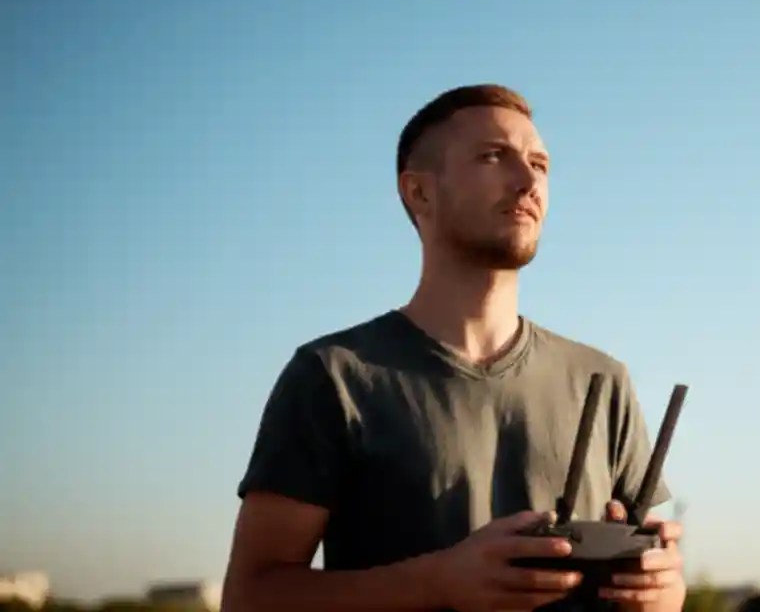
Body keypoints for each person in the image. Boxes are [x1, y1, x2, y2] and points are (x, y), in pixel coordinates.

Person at [221, 84, 686, 612]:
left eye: (540, 163)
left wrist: (665, 596)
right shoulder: (334, 378)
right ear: (419, 192)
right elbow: (249, 598)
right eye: (494, 156)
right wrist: (437, 581)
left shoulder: (604, 381)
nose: (528, 179)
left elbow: (654, 575)